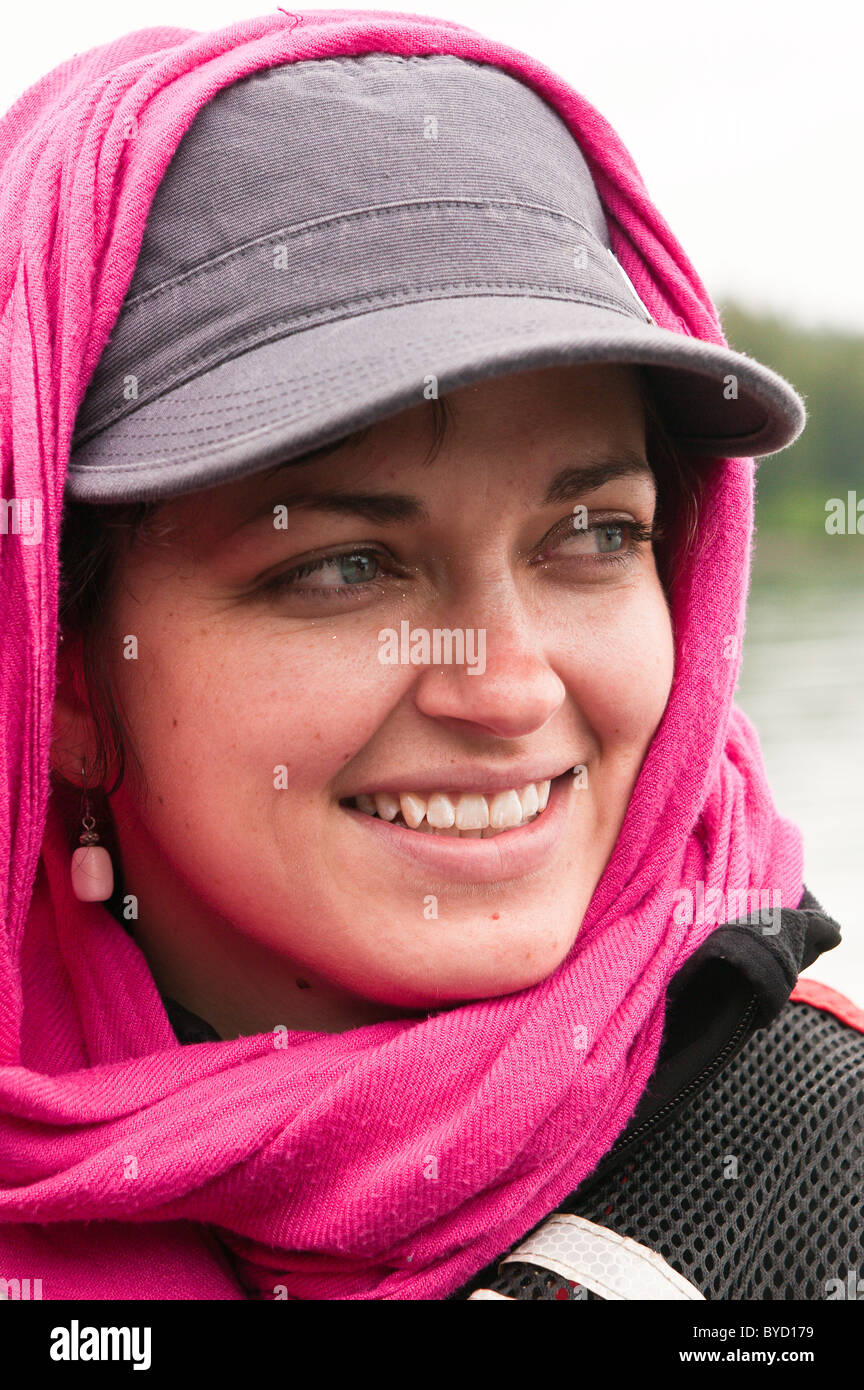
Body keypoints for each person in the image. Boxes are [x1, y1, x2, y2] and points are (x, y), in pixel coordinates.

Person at [0, 9, 860, 1302]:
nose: (510, 687)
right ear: (53, 664)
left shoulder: (820, 1175)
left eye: (593, 533)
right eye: (345, 565)